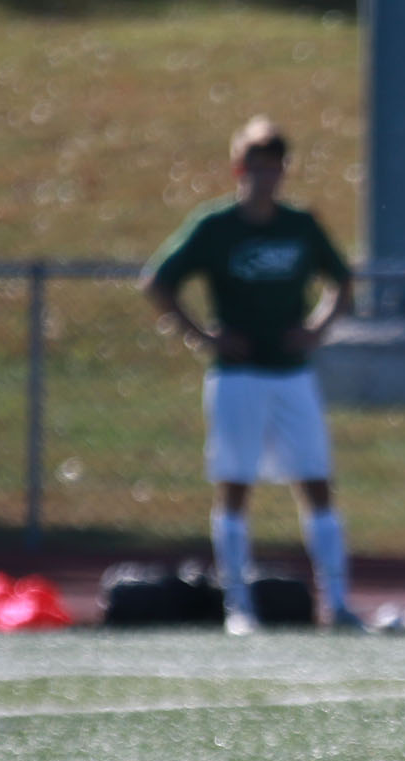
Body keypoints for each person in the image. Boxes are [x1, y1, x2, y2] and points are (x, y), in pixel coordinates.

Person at [143, 116, 359, 635]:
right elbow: (158, 283)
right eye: (255, 167)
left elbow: (343, 281)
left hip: (290, 375)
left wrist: (316, 329)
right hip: (237, 377)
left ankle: (339, 603)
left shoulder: (300, 224)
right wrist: (202, 336)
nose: (264, 178)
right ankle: (239, 605)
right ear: (240, 169)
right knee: (234, 488)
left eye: (274, 168)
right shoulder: (215, 226)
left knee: (316, 484)